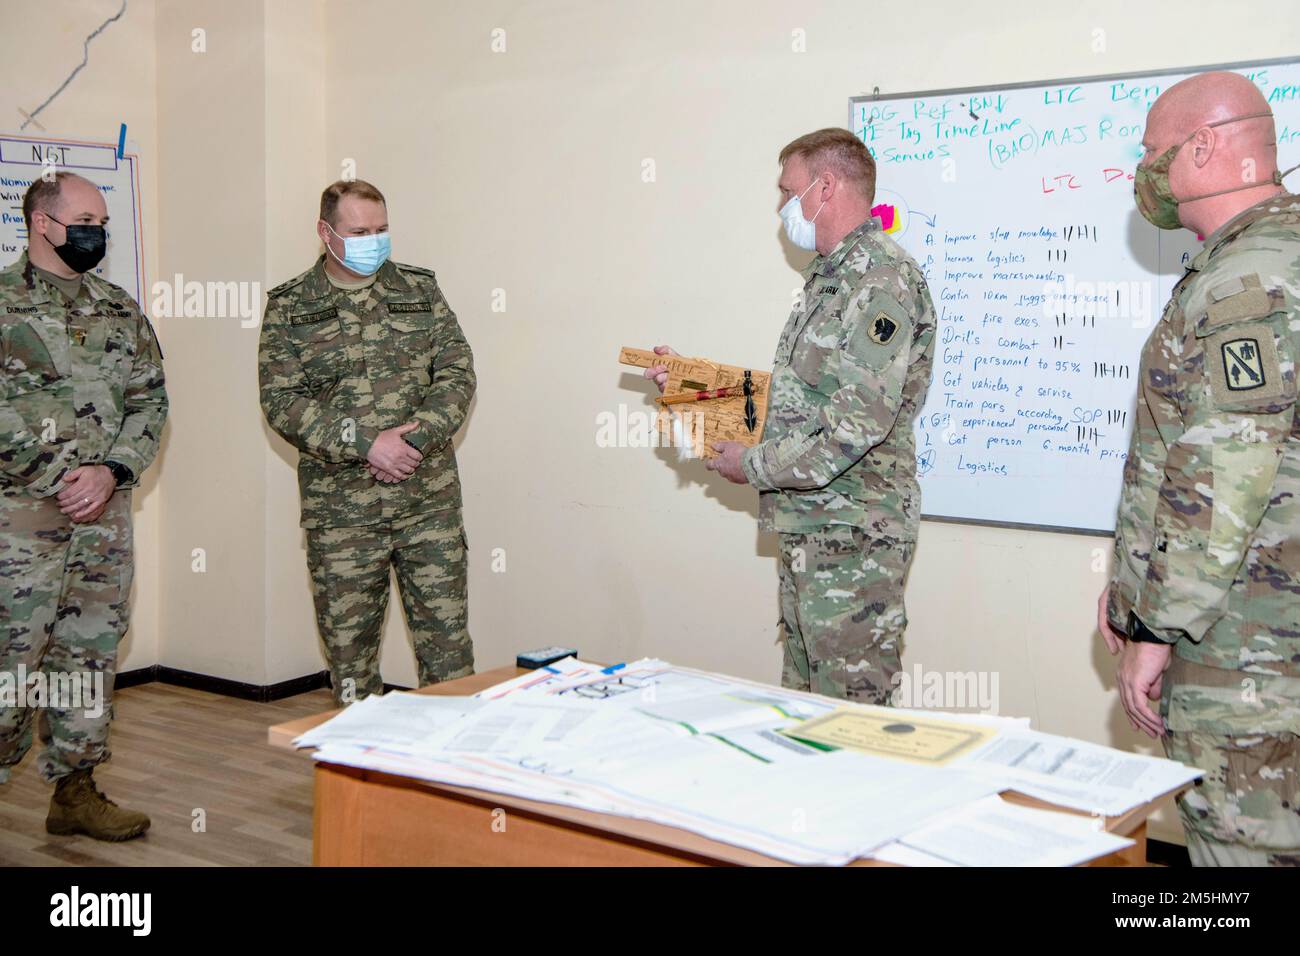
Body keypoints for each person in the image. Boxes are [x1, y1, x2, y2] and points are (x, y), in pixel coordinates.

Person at [650, 128, 935, 704]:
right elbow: (801, 402)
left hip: (854, 538)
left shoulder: (881, 281)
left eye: (788, 190)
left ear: (825, 187)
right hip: (812, 528)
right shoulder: (829, 278)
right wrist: (697, 386)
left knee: (851, 722)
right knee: (805, 714)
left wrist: (753, 465)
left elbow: (856, 425)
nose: (783, 206)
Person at [1102, 70, 1300, 866]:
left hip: (1247, 653)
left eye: (1152, 153)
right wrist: (1131, 582)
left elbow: (1225, 473)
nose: (1143, 172)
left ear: (1205, 146)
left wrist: (1155, 626)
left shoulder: (1245, 282)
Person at [259, 180, 476, 706]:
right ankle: (362, 782)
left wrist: (415, 440)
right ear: (325, 233)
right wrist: (367, 444)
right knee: (350, 664)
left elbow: (457, 373)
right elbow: (282, 402)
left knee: (449, 658)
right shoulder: (290, 306)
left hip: (428, 504)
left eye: (381, 231)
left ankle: (447, 781)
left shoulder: (419, 290)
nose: (372, 241)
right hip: (342, 516)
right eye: (359, 232)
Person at [0, 171, 167, 840]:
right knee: (11, 665)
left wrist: (112, 470)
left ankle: (75, 790)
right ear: (43, 223)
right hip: (19, 522)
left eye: (103, 219)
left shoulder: (119, 308)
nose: (97, 231)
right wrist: (59, 473)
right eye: (85, 219)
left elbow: (150, 400)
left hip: (103, 523)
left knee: (88, 657)